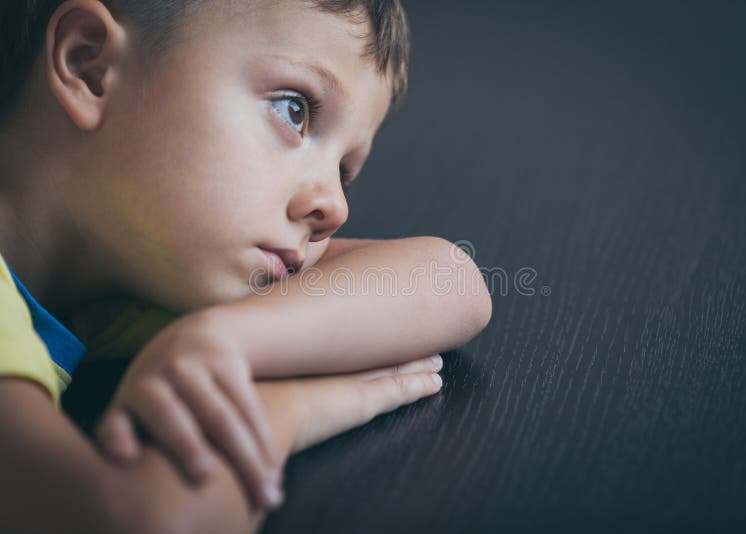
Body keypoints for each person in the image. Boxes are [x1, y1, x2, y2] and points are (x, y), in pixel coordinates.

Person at [0, 0, 492, 532]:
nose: (335, 206)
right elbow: (144, 521)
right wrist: (284, 407)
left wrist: (226, 340)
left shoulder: (123, 275)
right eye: (294, 110)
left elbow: (450, 277)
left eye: (345, 171)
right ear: (89, 67)